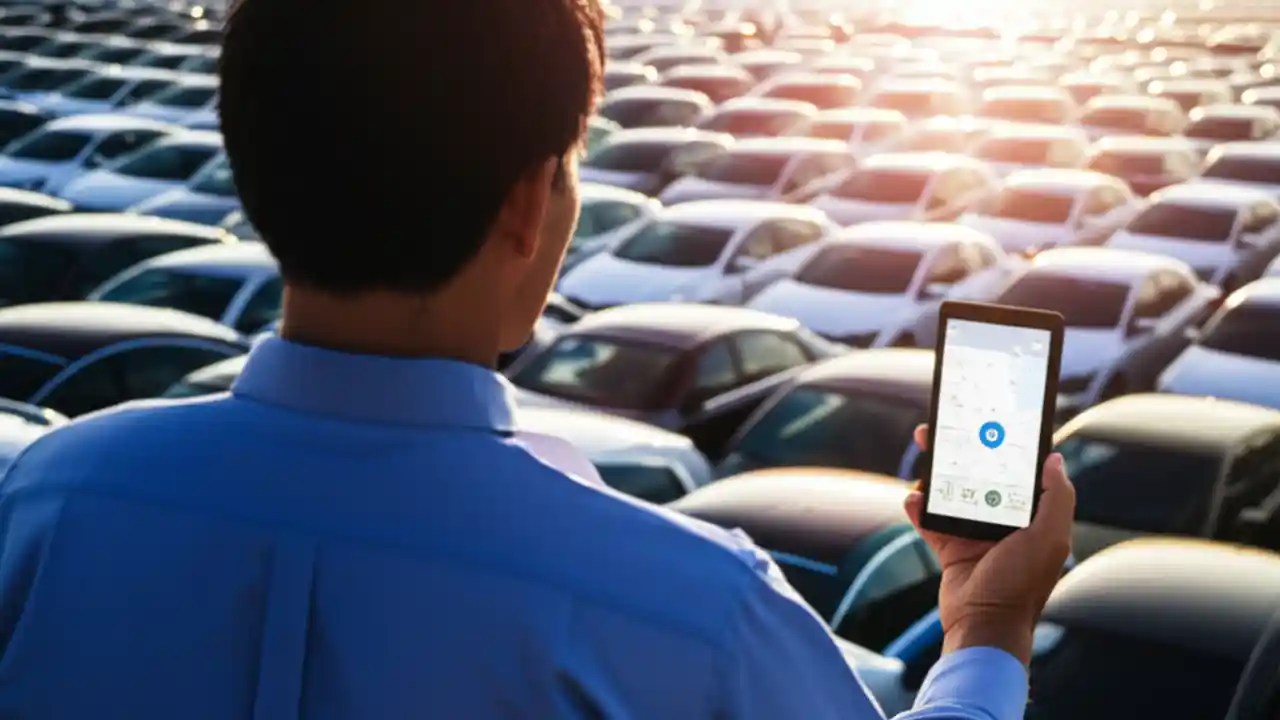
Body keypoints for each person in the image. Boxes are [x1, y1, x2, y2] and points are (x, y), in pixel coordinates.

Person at [0, 0, 1075, 716]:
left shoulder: (47, 501)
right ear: (526, 202)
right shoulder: (699, 616)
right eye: (569, 167)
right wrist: (984, 631)